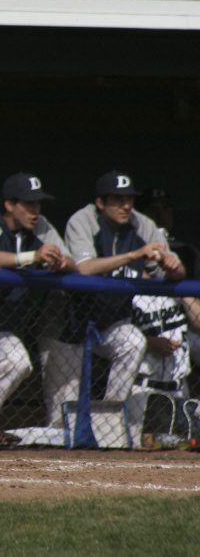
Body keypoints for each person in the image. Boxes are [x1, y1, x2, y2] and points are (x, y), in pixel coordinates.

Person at [52, 170, 186, 425]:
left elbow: (179, 271)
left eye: (129, 199)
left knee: (133, 340)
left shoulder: (141, 224)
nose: (126, 205)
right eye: (117, 199)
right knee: (60, 418)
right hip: (66, 325)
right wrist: (134, 256)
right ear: (100, 202)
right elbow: (84, 268)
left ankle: (107, 422)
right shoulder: (83, 220)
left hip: (111, 321)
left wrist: (171, 265)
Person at [0, 173, 76, 443]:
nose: (36, 210)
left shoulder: (41, 225)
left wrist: (61, 262)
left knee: (19, 363)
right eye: (29, 204)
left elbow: (73, 264)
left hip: (0, 329)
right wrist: (31, 257)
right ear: (9, 204)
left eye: (38, 203)